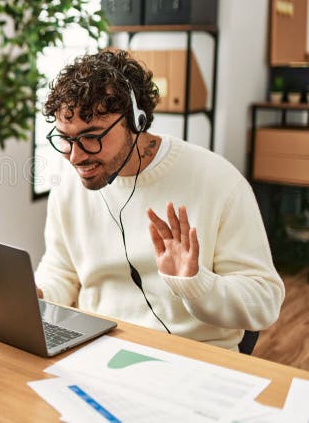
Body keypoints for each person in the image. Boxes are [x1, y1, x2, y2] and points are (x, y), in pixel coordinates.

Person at [34, 49, 284, 351]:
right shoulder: (69, 188)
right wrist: (41, 294)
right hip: (97, 349)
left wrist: (195, 284)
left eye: (92, 137)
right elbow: (62, 270)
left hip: (193, 357)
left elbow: (265, 302)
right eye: (65, 139)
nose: (75, 156)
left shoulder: (218, 181)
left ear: (137, 122)